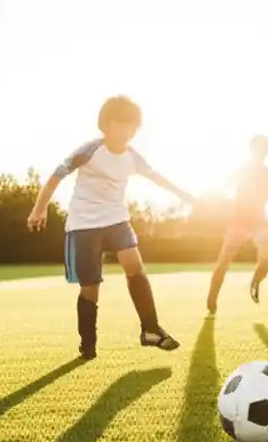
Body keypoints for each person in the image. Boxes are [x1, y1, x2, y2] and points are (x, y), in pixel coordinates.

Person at [26, 95, 194, 360]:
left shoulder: (132, 156)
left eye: (133, 126)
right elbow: (57, 174)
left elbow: (156, 176)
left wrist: (186, 195)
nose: (129, 131)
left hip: (116, 220)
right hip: (84, 225)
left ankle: (150, 330)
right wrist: (39, 208)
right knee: (90, 287)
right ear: (107, 124)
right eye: (124, 124)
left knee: (135, 266)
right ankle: (88, 346)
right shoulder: (90, 149)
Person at [206, 135, 268, 312]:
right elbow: (223, 184)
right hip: (239, 221)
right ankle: (212, 297)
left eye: (264, 149)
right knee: (225, 259)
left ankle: (256, 281)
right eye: (258, 148)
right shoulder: (241, 169)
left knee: (265, 259)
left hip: (259, 222)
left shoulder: (267, 173)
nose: (261, 152)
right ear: (251, 150)